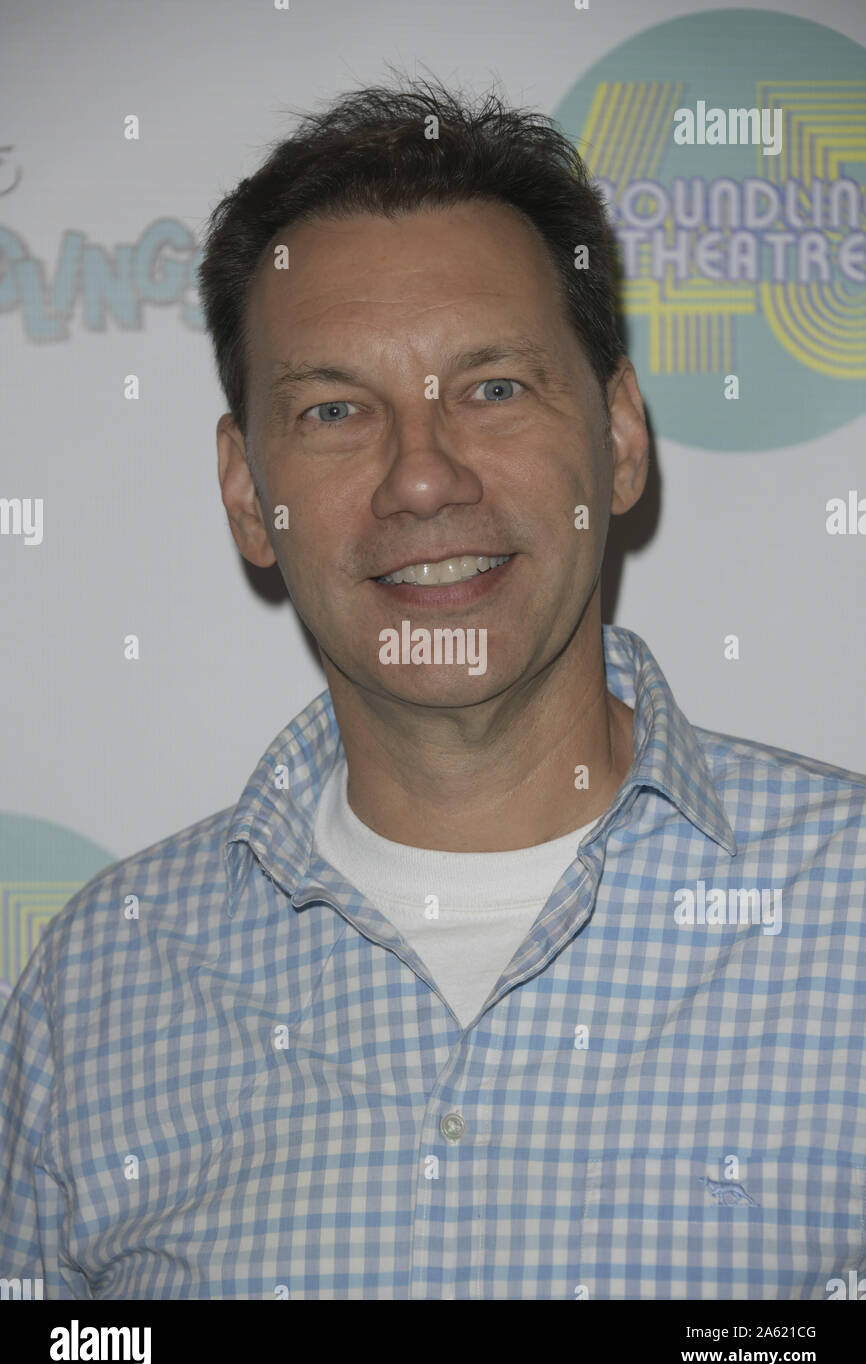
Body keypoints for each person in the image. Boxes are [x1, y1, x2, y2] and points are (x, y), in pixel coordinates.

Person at [1, 76, 864, 1302]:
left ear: (618, 437)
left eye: (493, 387)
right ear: (250, 494)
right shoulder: (91, 990)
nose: (420, 478)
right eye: (336, 408)